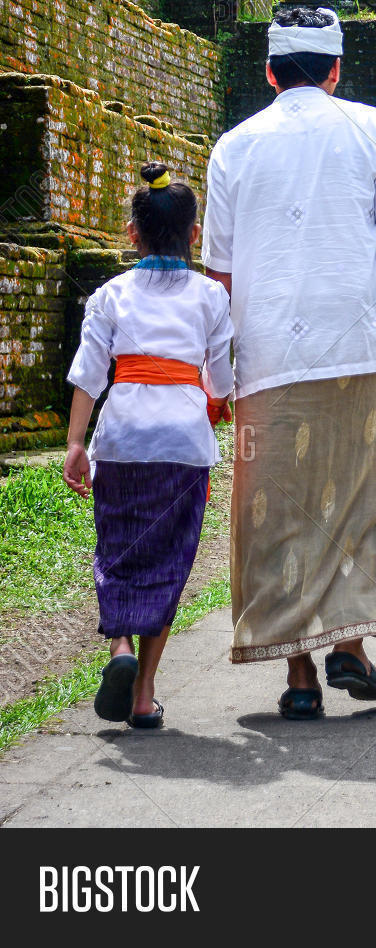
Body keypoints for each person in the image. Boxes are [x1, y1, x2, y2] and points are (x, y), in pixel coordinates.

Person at [202, 4, 376, 719]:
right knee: (364, 502)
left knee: (279, 511)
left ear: (271, 71)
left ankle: (301, 674)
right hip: (361, 349)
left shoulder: (234, 147)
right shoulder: (375, 129)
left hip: (269, 355)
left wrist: (215, 375)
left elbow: (218, 277)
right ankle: (353, 647)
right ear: (336, 70)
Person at [63, 163, 234, 730]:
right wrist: (208, 400)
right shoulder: (211, 295)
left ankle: (120, 653)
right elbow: (222, 382)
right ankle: (144, 695)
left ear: (132, 233)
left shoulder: (110, 295)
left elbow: (89, 377)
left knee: (118, 551)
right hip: (183, 446)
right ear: (193, 234)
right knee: (168, 559)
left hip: (121, 439)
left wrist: (74, 446)